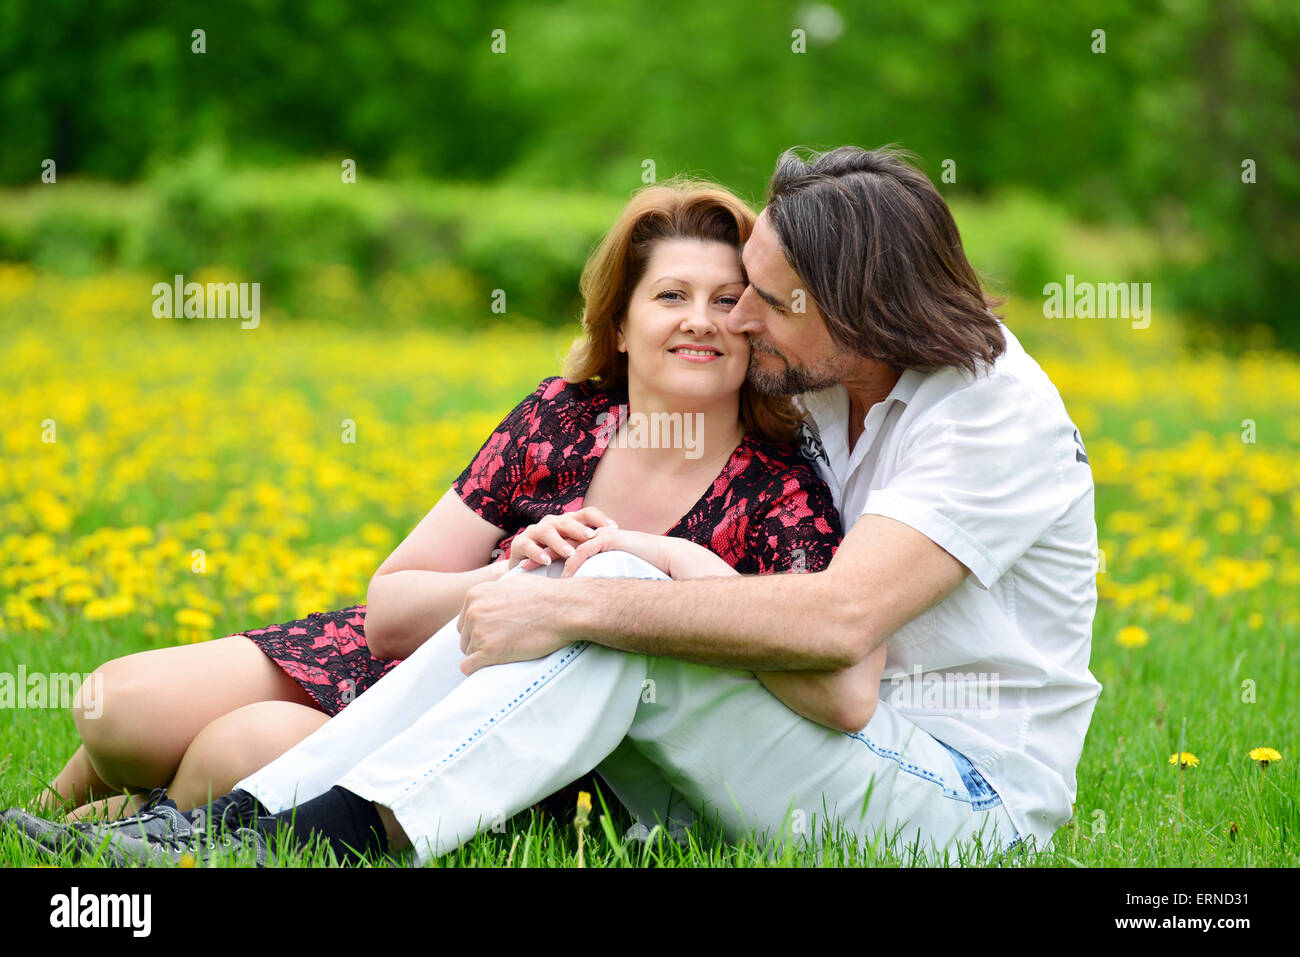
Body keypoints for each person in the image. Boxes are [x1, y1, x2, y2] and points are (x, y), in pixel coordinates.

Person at [21, 143, 1101, 867]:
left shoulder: (990, 417)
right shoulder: (830, 380)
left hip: (959, 806)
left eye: (761, 304)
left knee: (604, 590)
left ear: (857, 307)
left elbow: (838, 629)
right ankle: (240, 825)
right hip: (813, 741)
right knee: (597, 582)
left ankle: (319, 831)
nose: (741, 328)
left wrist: (594, 593)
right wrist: (586, 575)